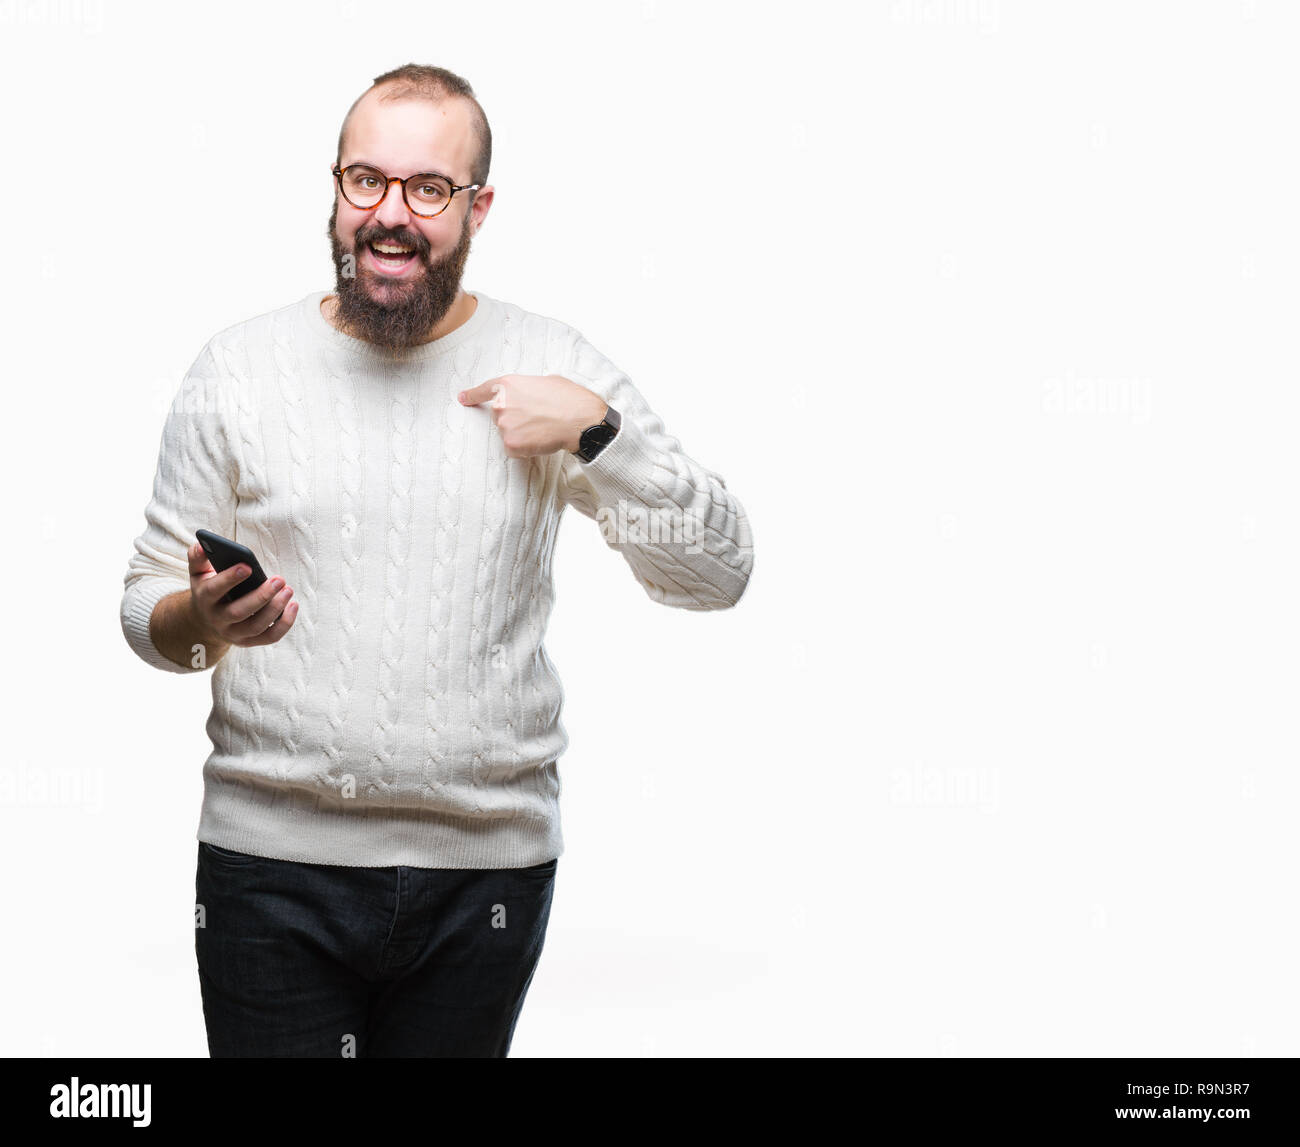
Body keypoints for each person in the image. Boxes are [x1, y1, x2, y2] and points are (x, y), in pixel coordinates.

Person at [119, 63, 754, 1058]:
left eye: (428, 189)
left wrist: (599, 433)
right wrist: (201, 622)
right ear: (334, 188)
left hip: (485, 879)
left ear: (478, 205)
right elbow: (145, 612)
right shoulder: (237, 369)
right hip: (268, 868)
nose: (389, 215)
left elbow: (717, 575)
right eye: (364, 181)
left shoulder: (551, 363)